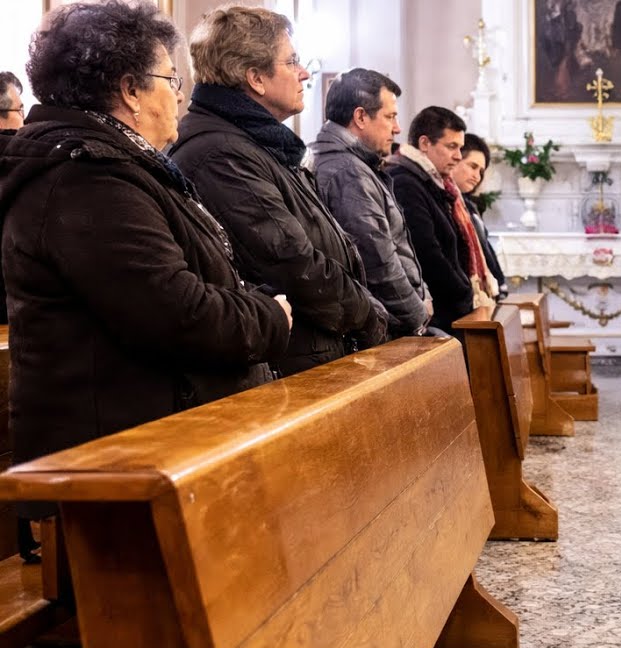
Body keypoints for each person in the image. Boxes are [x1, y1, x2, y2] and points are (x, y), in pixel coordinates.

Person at [0, 1, 292, 482]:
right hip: (112, 464)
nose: (181, 96)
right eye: (171, 80)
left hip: (145, 443)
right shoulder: (86, 178)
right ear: (131, 91)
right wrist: (270, 317)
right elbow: (175, 312)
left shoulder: (120, 168)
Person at [171, 5, 386, 376]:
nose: (304, 73)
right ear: (255, 77)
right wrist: (370, 316)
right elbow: (292, 262)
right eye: (292, 62)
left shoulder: (258, 144)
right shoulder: (220, 154)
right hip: (291, 367)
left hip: (316, 353)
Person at [310, 68, 432, 338]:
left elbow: (395, 241)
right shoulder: (347, 171)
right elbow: (377, 261)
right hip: (387, 326)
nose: (397, 128)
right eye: (390, 117)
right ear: (361, 117)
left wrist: (423, 292)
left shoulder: (357, 164)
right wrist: (417, 316)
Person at [387, 106, 497, 335]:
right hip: (439, 315)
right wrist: (466, 296)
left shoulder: (436, 184)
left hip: (451, 309)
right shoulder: (406, 183)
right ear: (425, 143)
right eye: (452, 146)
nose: (458, 156)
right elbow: (427, 252)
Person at [451, 133, 507, 299]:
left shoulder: (468, 204)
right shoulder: (450, 203)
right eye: (472, 166)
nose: (477, 176)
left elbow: (485, 249)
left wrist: (500, 283)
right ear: (455, 159)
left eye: (481, 171)